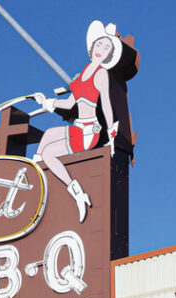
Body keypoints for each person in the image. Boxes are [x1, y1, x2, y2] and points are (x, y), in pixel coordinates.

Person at [33, 20, 122, 222]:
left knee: (48, 153)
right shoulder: (84, 72)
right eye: (99, 44)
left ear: (110, 55)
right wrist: (48, 102)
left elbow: (106, 104)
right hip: (78, 128)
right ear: (92, 46)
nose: (101, 49)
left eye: (106, 47)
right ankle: (38, 183)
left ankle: (76, 192)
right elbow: (69, 102)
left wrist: (112, 133)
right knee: (46, 138)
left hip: (90, 133)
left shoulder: (101, 74)